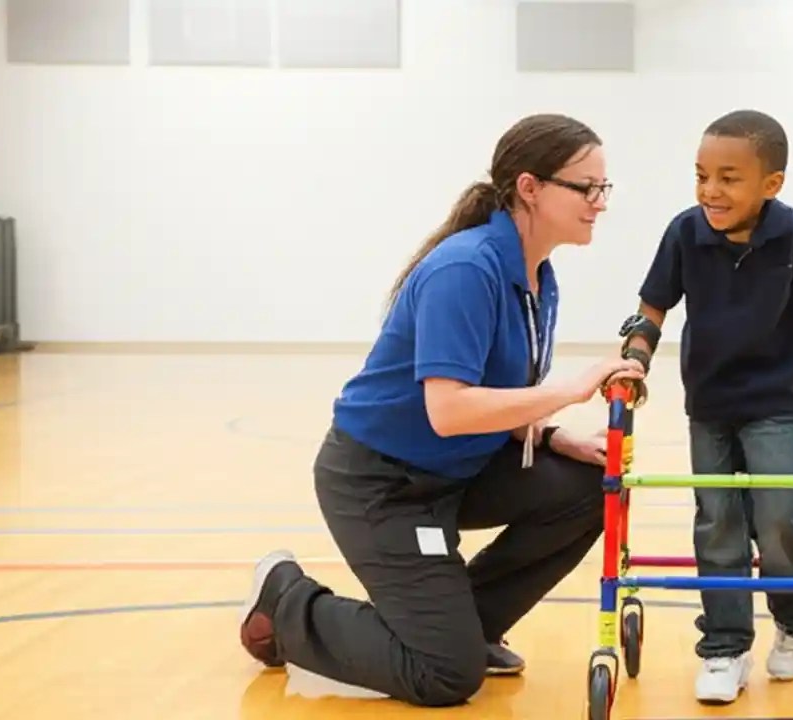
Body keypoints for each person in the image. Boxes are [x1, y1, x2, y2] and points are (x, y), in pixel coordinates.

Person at [237, 113, 643, 707]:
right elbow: (449, 411)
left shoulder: (538, 275)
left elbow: (497, 392)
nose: (599, 203)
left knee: (591, 487)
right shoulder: (465, 270)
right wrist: (572, 389)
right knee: (445, 676)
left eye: (603, 188)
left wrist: (553, 438)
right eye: (586, 188)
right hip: (382, 486)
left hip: (456, 473)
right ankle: (285, 601)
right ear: (529, 187)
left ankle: (466, 629)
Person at [616, 109, 793, 704]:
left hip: (776, 403)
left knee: (776, 519)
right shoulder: (684, 233)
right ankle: (724, 646)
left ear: (771, 184)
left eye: (728, 178)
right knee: (716, 522)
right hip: (710, 403)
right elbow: (652, 309)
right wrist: (634, 361)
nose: (709, 191)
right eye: (701, 176)